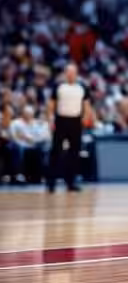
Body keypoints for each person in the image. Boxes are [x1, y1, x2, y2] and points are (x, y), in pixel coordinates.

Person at [46, 63, 93, 192]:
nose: (71, 74)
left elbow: (87, 105)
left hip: (75, 121)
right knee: (56, 151)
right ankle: (51, 183)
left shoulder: (82, 87)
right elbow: (51, 104)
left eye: (73, 72)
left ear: (76, 74)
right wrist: (50, 119)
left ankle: (71, 182)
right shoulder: (58, 86)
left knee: (74, 153)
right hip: (61, 120)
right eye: (69, 72)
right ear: (65, 73)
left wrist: (84, 119)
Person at [8, 105, 50, 184]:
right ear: (23, 114)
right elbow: (14, 137)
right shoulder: (16, 123)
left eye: (30, 114)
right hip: (19, 145)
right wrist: (26, 139)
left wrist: (26, 138)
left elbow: (38, 137)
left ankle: (37, 177)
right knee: (19, 149)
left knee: (39, 149)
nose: (28, 116)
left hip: (32, 145)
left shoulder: (35, 123)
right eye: (27, 114)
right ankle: (19, 175)